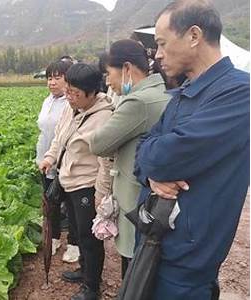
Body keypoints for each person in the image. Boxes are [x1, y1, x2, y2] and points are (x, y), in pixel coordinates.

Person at [134, 1, 250, 299]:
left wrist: (153, 161)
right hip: (154, 245)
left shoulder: (239, 93)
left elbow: (163, 155)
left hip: (186, 264)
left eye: (161, 43)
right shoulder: (184, 92)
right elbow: (142, 154)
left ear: (194, 36)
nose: (157, 55)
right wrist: (151, 177)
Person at [89, 39, 169, 278]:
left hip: (135, 200)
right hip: (156, 201)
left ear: (126, 68)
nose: (107, 81)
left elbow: (99, 144)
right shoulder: (162, 92)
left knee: (134, 270)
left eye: (108, 73)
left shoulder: (137, 102)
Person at [39, 63, 113, 300]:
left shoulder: (105, 118)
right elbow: (59, 139)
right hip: (68, 180)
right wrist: (50, 158)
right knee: (78, 232)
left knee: (90, 238)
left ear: (92, 93)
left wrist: (101, 194)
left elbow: (106, 161)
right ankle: (84, 270)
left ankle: (92, 287)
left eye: (75, 93)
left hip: (87, 185)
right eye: (68, 91)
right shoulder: (71, 109)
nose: (69, 97)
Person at [36, 60, 80, 262]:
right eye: (49, 78)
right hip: (46, 160)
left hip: (66, 162)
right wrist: (42, 157)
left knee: (71, 204)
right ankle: (53, 238)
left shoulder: (72, 103)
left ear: (68, 79)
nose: (52, 82)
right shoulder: (48, 101)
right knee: (50, 202)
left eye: (57, 78)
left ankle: (74, 243)